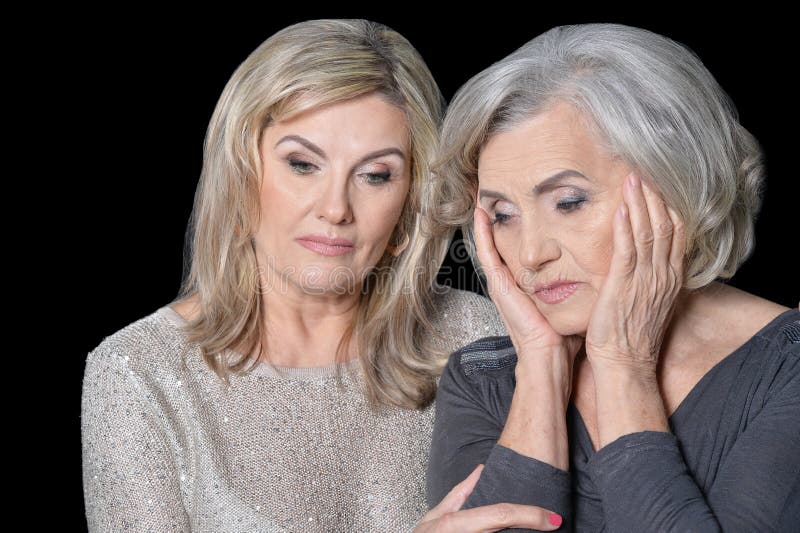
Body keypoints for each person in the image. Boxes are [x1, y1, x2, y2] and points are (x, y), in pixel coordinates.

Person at [80, 18, 567, 532]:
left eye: (375, 175)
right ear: (241, 175)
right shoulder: (140, 373)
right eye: (302, 164)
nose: (336, 209)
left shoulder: (477, 336)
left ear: (410, 203)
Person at [426, 22, 800, 531]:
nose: (531, 254)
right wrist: (540, 371)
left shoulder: (787, 372)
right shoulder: (482, 380)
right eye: (503, 215)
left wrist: (624, 368)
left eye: (569, 202)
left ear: (675, 183)